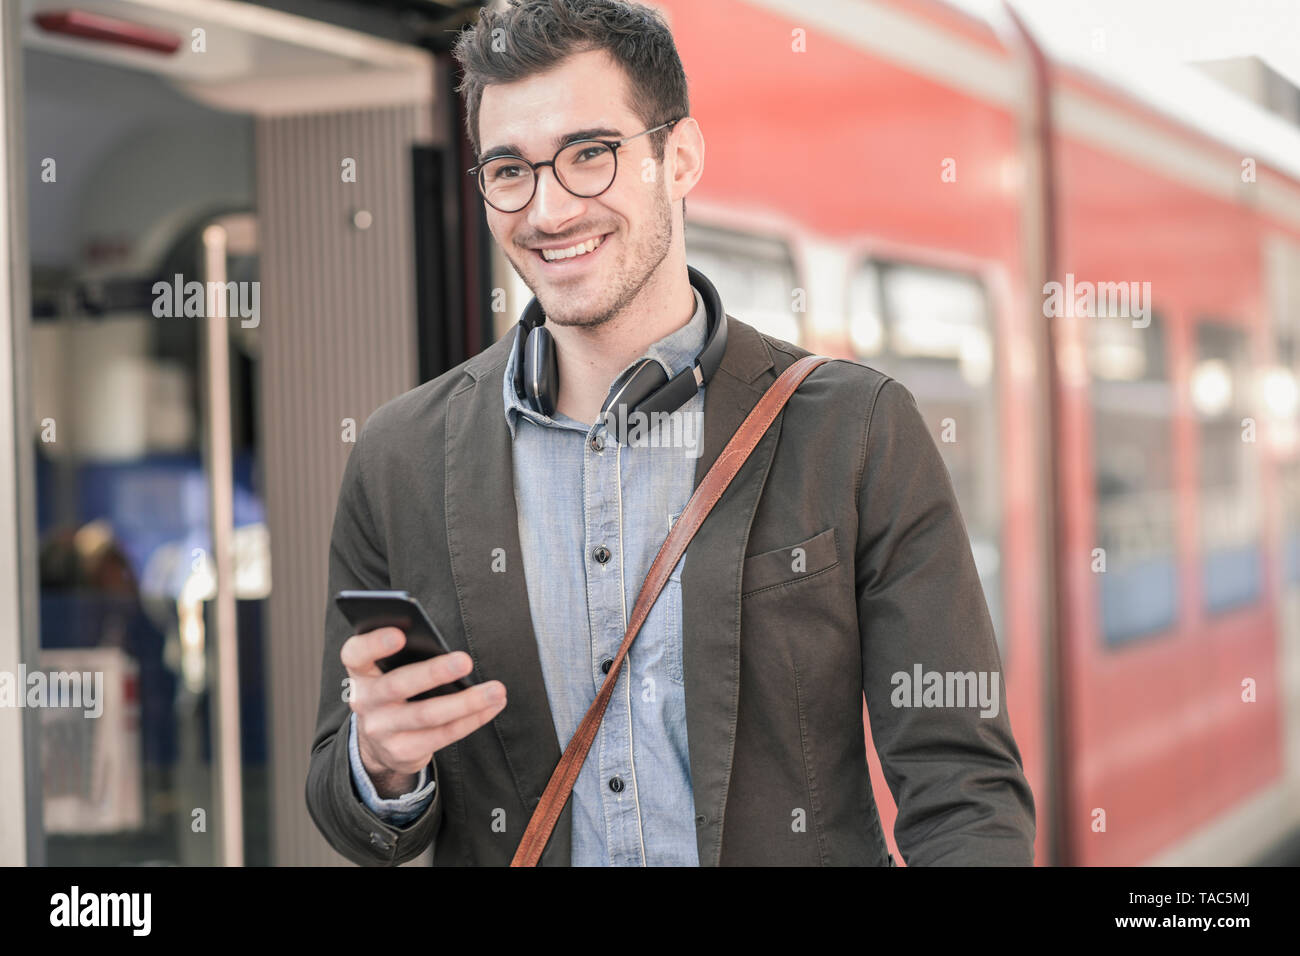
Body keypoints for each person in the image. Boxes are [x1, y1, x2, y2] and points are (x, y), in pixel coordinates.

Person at [306, 0, 1035, 866]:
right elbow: (345, 805)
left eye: (589, 156)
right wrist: (382, 765)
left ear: (678, 155)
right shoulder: (400, 459)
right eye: (510, 171)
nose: (546, 211)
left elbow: (966, 793)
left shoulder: (856, 429)